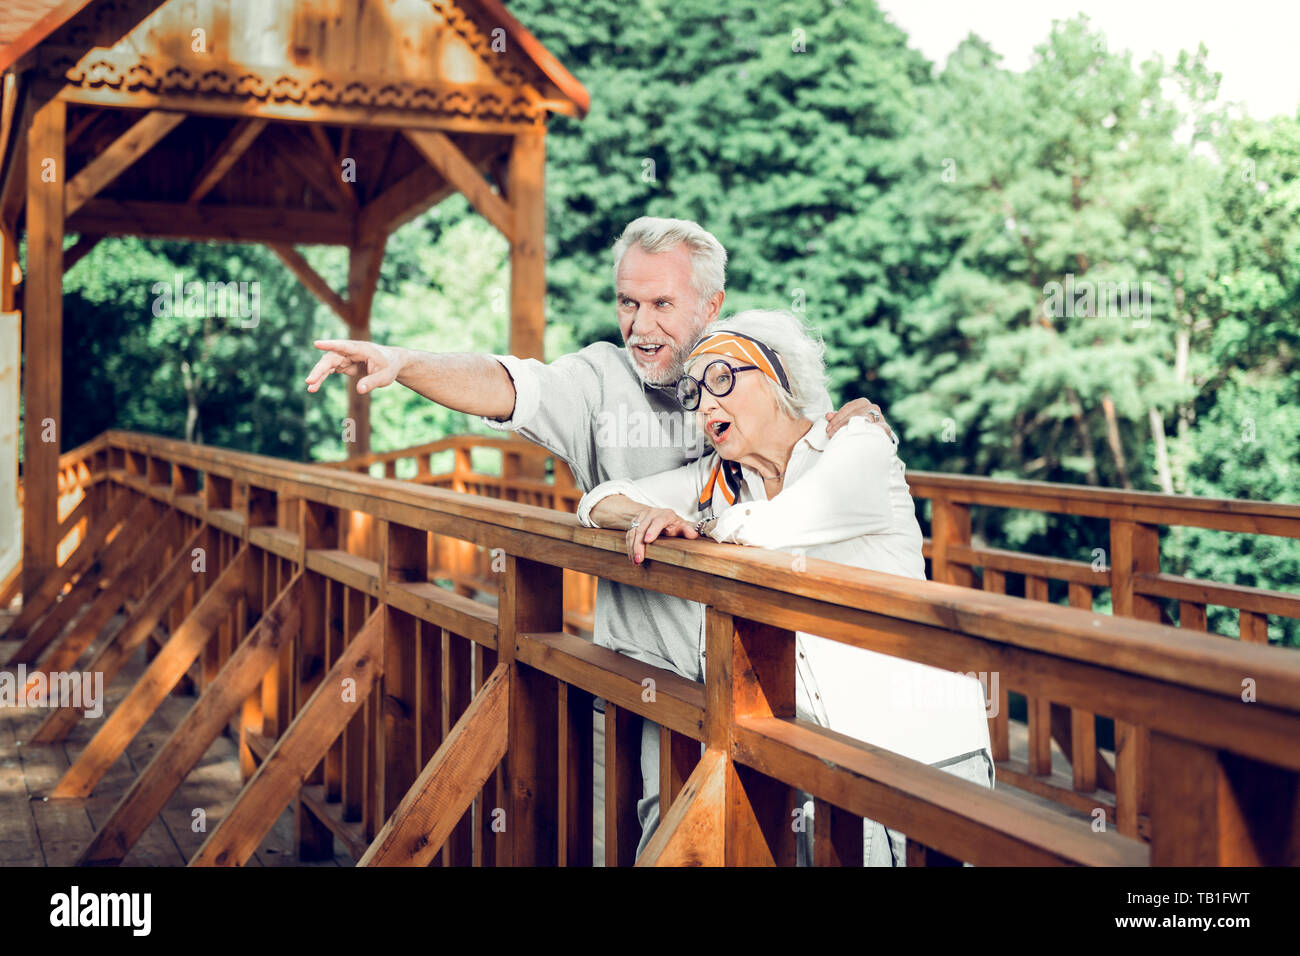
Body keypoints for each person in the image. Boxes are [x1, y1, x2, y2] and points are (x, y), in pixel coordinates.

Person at [305, 218, 890, 858]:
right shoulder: (597, 381)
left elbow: (815, 455)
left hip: (773, 686)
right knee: (658, 840)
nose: (641, 326)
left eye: (662, 304)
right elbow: (506, 384)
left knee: (795, 842)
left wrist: (857, 420)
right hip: (647, 682)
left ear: (711, 305)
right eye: (627, 303)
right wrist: (406, 363)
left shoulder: (744, 367)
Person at [576, 309, 994, 865]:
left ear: (781, 380)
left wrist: (697, 526)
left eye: (723, 379)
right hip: (822, 762)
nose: (705, 404)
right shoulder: (722, 480)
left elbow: (774, 527)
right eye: (694, 391)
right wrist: (645, 513)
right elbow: (597, 500)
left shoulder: (858, 441)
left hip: (922, 753)